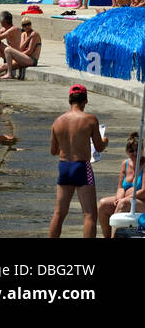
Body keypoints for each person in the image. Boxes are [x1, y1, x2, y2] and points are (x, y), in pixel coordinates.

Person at [49, 84, 107, 238]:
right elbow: (99, 147)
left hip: (64, 167)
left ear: (69, 100)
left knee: (59, 213)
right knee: (89, 215)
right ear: (85, 100)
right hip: (81, 166)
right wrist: (105, 140)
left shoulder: (58, 122)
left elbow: (53, 151)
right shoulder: (90, 120)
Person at [98, 133, 142, 239]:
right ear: (127, 151)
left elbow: (144, 191)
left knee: (123, 204)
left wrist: (125, 199)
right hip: (127, 200)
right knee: (103, 204)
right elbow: (121, 187)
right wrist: (119, 197)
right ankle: (107, 236)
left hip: (142, 201)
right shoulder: (125, 164)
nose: (135, 153)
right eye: (131, 151)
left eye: (138, 150)